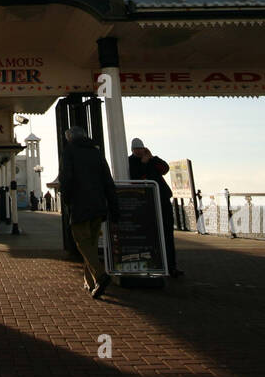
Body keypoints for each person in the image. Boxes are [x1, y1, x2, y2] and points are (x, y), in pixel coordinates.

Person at [58, 126, 119, 298]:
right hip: (99, 204)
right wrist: (114, 206)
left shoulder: (69, 152)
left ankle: (100, 275)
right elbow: (108, 180)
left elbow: (66, 178)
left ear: (69, 138)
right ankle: (89, 281)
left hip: (80, 204)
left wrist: (68, 200)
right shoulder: (96, 152)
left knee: (82, 242)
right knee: (91, 244)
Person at [128, 137, 181, 277]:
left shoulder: (152, 159)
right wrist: (144, 163)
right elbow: (136, 176)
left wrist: (152, 158)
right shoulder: (130, 161)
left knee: (167, 233)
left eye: (141, 149)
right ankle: (156, 264)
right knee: (151, 234)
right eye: (137, 149)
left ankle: (171, 266)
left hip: (162, 198)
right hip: (146, 202)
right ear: (133, 150)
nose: (140, 151)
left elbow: (165, 169)